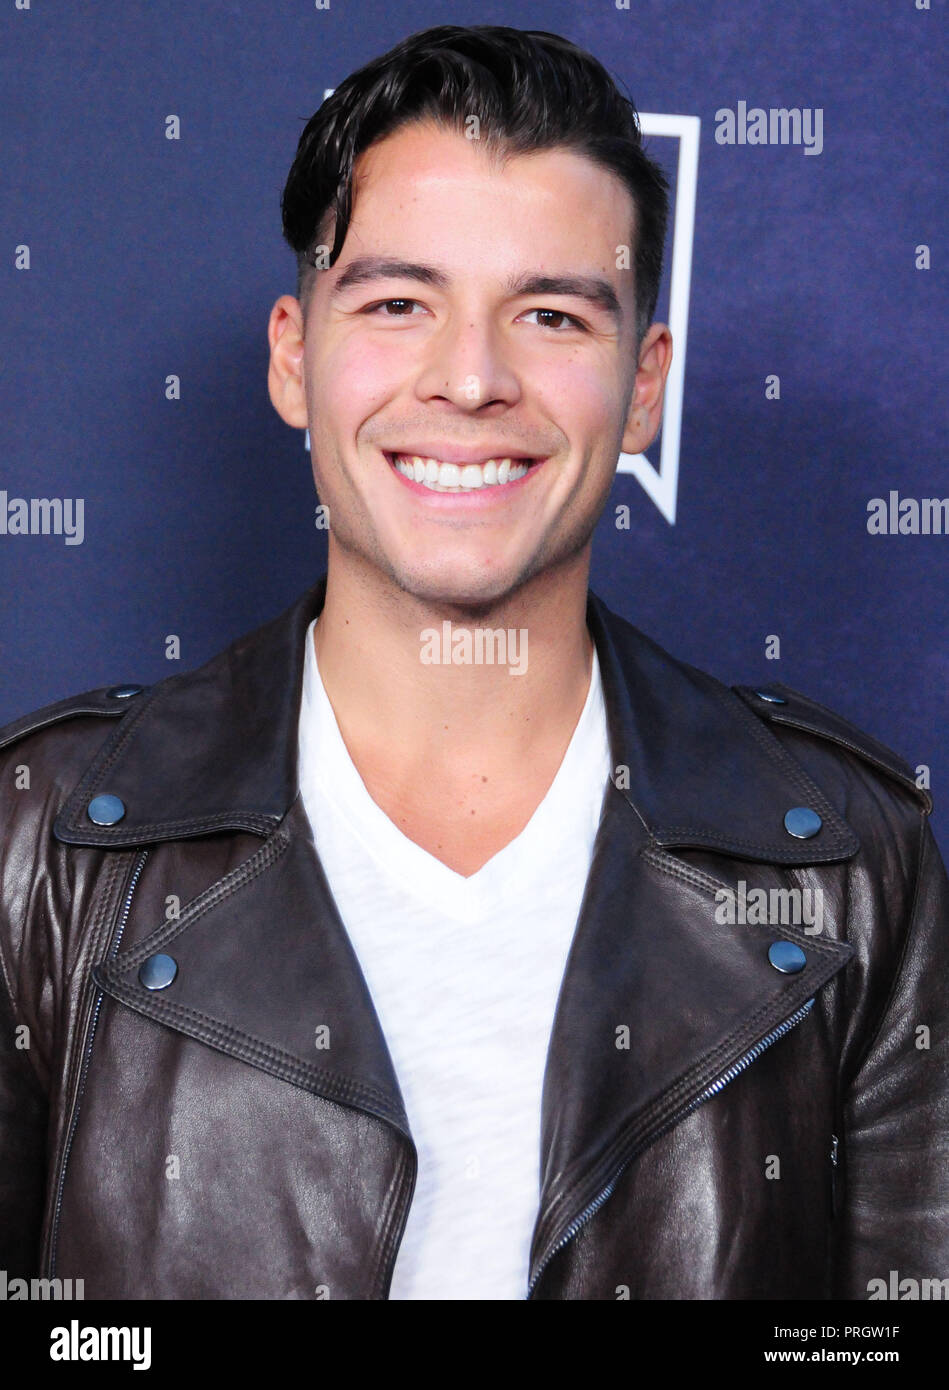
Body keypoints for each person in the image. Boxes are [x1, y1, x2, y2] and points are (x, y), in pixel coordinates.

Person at [1, 24, 946, 1302]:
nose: (471, 378)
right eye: (399, 303)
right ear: (294, 357)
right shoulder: (41, 844)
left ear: (644, 387)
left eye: (550, 314)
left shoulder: (848, 863)